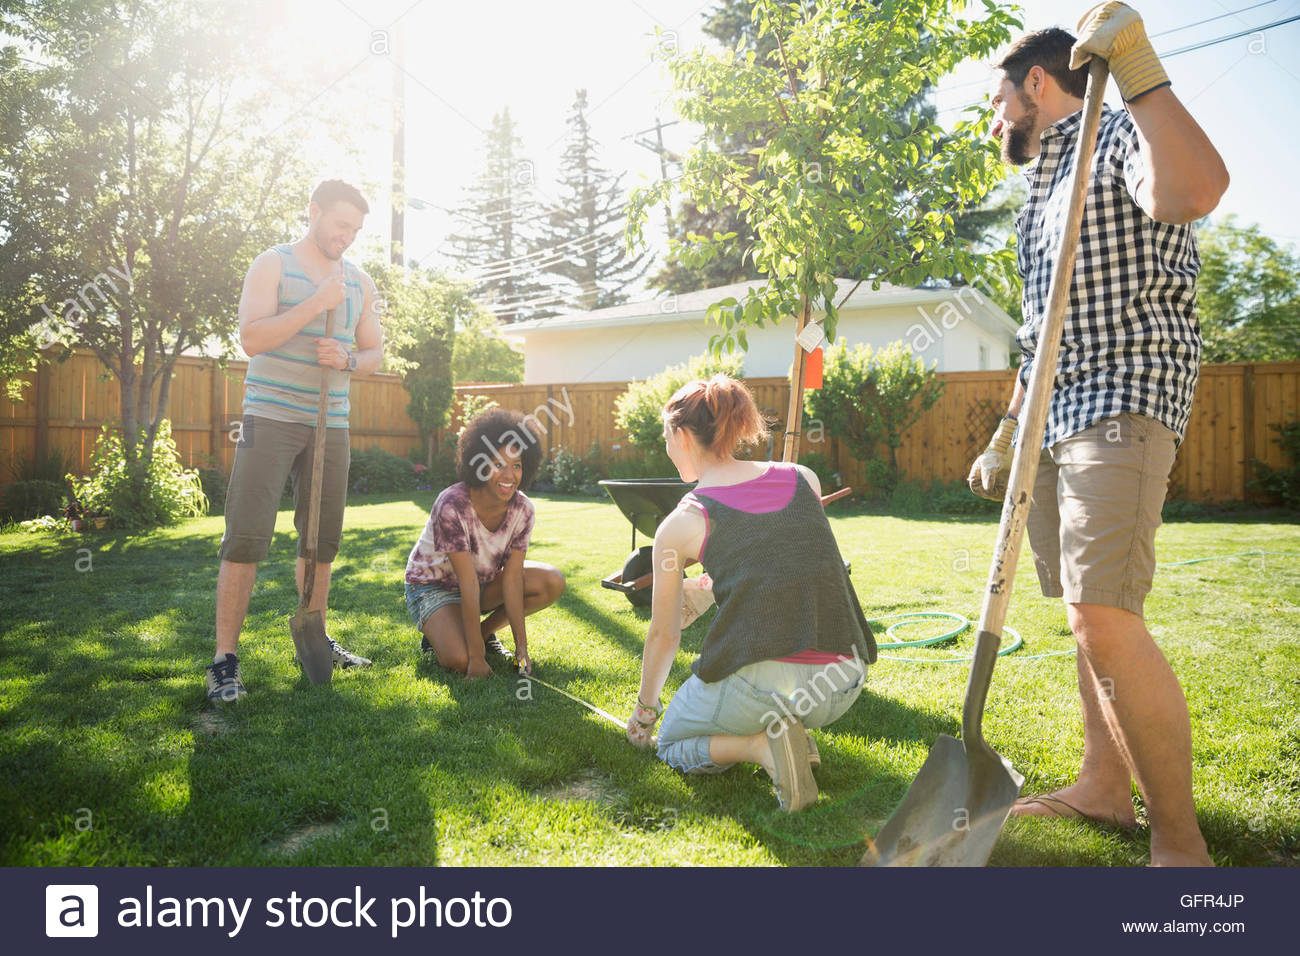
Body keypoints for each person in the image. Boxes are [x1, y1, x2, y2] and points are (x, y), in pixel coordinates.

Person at [971, 4, 1228, 865]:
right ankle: (1103, 789)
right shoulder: (1041, 184)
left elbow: (1193, 191)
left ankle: (1181, 846)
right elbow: (1040, 333)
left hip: (1125, 392)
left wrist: (1142, 65)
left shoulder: (1115, 132)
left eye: (1001, 97)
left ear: (1037, 83)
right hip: (1056, 409)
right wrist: (1008, 431)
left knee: (1103, 612)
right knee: (1088, 615)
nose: (997, 117)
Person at [626, 375, 876, 812]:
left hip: (766, 684)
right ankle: (792, 734)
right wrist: (707, 587)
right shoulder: (804, 478)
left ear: (682, 436)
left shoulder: (680, 525)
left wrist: (646, 715)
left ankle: (762, 747)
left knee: (671, 742)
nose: (667, 448)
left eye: (667, 436)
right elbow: (784, 559)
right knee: (777, 685)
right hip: (845, 680)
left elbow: (664, 636)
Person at [206, 179, 384, 703]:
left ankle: (317, 641)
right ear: (314, 212)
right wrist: (316, 305)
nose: (346, 237)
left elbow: (375, 353)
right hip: (269, 417)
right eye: (339, 225)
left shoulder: (360, 282)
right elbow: (252, 337)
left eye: (355, 229)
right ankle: (225, 660)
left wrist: (348, 359)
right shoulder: (273, 264)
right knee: (247, 534)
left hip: (331, 421)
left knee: (320, 538)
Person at [404, 408, 566, 679]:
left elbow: (512, 580)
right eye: (498, 464)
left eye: (516, 465)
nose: (509, 475)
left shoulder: (523, 509)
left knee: (552, 581)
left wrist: (521, 650)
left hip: (481, 585)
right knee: (461, 659)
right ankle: (452, 638)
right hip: (432, 588)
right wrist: (476, 659)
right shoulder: (452, 504)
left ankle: (480, 633)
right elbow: (465, 582)